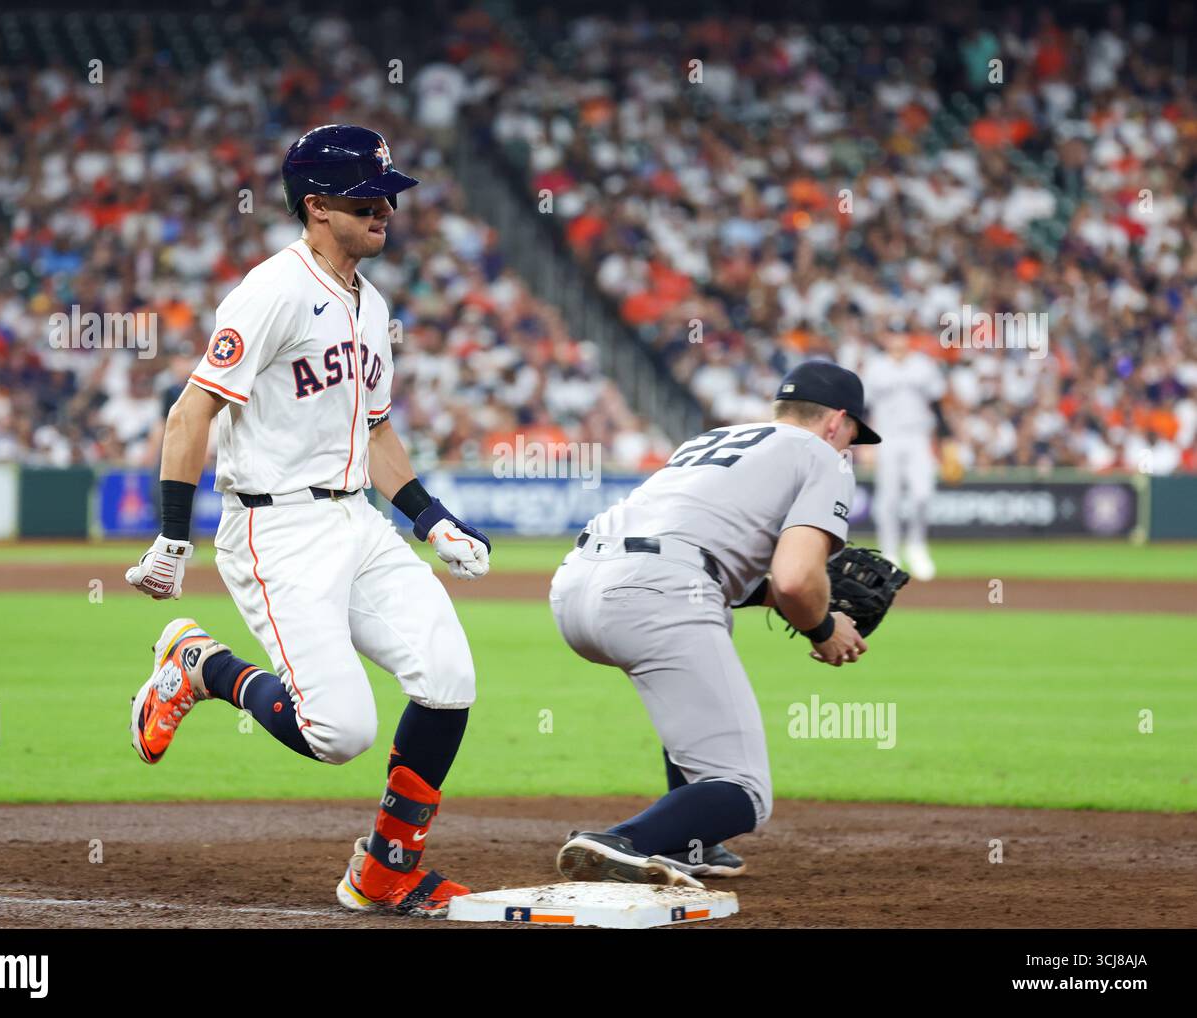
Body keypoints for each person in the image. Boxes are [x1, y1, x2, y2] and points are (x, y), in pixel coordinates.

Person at [124, 125, 490, 918]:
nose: (385, 209)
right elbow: (190, 415)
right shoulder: (274, 290)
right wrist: (171, 536)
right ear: (316, 206)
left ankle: (387, 872)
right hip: (276, 528)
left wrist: (433, 521)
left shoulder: (371, 303)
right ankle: (198, 664)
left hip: (356, 520)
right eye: (367, 197)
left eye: (389, 195)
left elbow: (379, 434)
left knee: (450, 677)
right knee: (339, 732)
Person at [548, 361, 877, 885]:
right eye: (853, 437)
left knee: (705, 643)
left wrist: (795, 603)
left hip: (575, 587)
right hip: (658, 594)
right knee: (746, 793)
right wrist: (822, 629)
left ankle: (692, 844)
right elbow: (795, 580)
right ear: (837, 422)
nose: (849, 448)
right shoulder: (823, 455)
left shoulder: (719, 438)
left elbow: (712, 561)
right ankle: (620, 843)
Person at [863, 329, 948, 580]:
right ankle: (889, 552)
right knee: (888, 497)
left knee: (923, 494)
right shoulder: (875, 366)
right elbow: (866, 407)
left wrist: (945, 438)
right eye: (893, 335)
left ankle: (916, 545)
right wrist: (865, 443)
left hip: (918, 436)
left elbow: (937, 403)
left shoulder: (923, 365)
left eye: (902, 334)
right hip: (886, 436)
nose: (898, 340)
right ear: (886, 339)